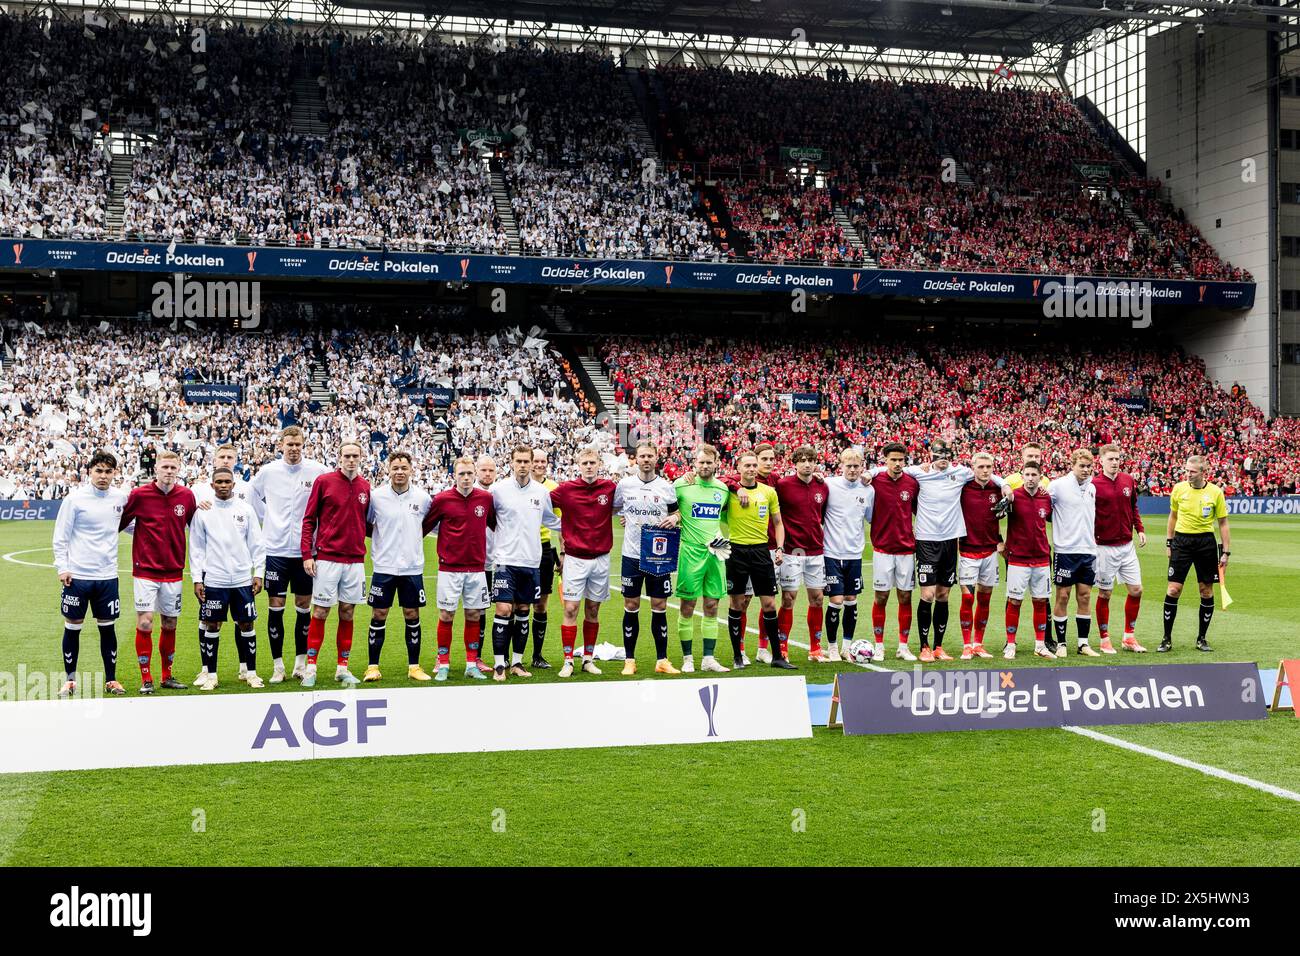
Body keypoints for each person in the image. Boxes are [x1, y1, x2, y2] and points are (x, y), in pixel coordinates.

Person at [250, 426, 328, 683]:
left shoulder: (317, 471)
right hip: (276, 551)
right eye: (289, 444)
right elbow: (252, 498)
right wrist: (269, 521)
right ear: (281, 445)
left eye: (298, 444)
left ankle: (300, 663)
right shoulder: (268, 472)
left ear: (303, 444)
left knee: (304, 608)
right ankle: (278, 666)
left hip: (306, 553)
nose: (294, 448)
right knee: (276, 608)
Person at [120, 449, 198, 694]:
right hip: (145, 570)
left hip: (174, 570)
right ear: (156, 468)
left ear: (179, 470)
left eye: (173, 468)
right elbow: (118, 524)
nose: (169, 472)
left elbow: (197, 528)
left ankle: (167, 675)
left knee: (170, 623)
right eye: (164, 467)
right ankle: (146, 679)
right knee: (145, 622)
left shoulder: (186, 496)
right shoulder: (139, 495)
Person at [52, 450, 128, 697]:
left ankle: (111, 680)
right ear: (89, 472)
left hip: (107, 576)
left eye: (108, 472)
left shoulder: (120, 498)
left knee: (107, 628)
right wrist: (62, 567)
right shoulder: (75, 499)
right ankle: (70, 680)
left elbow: (133, 526)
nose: (103, 476)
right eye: (99, 471)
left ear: (114, 473)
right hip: (78, 577)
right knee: (73, 626)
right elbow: (61, 536)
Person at [300, 441, 371, 687]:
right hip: (327, 558)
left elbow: (367, 523)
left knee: (348, 612)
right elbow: (309, 520)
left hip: (355, 561)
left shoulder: (365, 486)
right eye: (347, 456)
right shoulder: (325, 482)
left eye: (355, 456)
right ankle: (310, 668)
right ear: (339, 457)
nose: (351, 460)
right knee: (320, 611)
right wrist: (307, 554)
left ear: (361, 458)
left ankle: (342, 668)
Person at [490, 445, 563, 681]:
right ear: (511, 462)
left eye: (526, 461)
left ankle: (518, 662)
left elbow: (552, 521)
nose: (522, 465)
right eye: (518, 461)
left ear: (532, 464)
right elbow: (486, 518)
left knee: (523, 610)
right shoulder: (497, 490)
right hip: (504, 560)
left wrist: (584, 524)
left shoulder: (541, 493)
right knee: (503, 609)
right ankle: (500, 664)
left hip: (531, 561)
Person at [189, 467, 265, 690]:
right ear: (212, 485)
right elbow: (196, 549)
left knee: (246, 624)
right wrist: (197, 579)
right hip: (215, 579)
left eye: (227, 482)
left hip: (242, 579)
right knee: (212, 625)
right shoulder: (203, 512)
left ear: (233, 484)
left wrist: (258, 573)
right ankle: (211, 675)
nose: (223, 485)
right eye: (219, 482)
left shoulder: (246, 510)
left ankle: (250, 673)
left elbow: (257, 545)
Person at [424, 456, 496, 681]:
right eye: (461, 474)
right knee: (446, 615)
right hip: (449, 569)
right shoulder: (442, 500)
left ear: (475, 475)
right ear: (453, 475)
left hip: (476, 568)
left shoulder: (485, 498)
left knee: (474, 615)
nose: (466, 478)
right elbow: (424, 528)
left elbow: (495, 525)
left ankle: (471, 663)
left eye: (469, 474)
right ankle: (443, 662)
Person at [549, 446, 619, 677]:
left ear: (599, 464)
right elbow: (539, 503)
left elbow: (624, 505)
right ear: (578, 465)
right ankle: (568, 660)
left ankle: (587, 658)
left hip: (601, 558)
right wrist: (561, 528)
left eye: (593, 462)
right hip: (575, 559)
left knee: (592, 609)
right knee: (571, 608)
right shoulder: (566, 490)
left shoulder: (609, 488)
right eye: (585, 463)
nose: (589, 466)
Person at [364, 451, 433, 683]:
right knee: (379, 614)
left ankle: (414, 666)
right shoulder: (376, 497)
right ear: (388, 470)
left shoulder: (423, 498)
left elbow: (428, 525)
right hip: (384, 567)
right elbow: (367, 524)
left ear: (411, 470)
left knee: (412, 614)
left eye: (404, 467)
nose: (400, 472)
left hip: (412, 568)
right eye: (395, 468)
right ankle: (372, 666)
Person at [613, 440, 680, 675]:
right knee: (631, 605)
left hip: (657, 555)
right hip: (631, 554)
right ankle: (629, 660)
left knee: (659, 605)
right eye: (642, 456)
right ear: (636, 459)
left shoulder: (666, 487)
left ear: (656, 459)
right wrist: (624, 516)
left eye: (650, 456)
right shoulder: (625, 485)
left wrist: (675, 519)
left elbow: (676, 513)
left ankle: (662, 660)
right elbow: (614, 508)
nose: (646, 460)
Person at [726, 450, 795, 670]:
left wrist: (780, 547)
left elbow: (778, 522)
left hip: (761, 551)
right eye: (746, 465)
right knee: (737, 603)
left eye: (754, 465)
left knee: (769, 603)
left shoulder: (769, 492)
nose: (751, 469)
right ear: (738, 468)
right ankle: (738, 656)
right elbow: (716, 479)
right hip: (736, 551)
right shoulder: (729, 490)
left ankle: (777, 656)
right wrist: (737, 487)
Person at [673, 444, 733, 673]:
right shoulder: (682, 485)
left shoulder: (723, 489)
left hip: (716, 552)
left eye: (709, 462)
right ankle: (687, 658)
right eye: (701, 462)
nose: (705, 466)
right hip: (690, 552)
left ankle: (709, 658)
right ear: (695, 464)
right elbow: (666, 506)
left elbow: (728, 514)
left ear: (716, 463)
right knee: (687, 606)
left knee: (712, 604)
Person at [1161, 455, 1230, 653]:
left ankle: (1202, 638)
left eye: (1192, 471)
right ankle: (1166, 638)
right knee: (1173, 589)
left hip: (1205, 543)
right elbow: (1173, 517)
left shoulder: (1216, 492)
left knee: (1206, 591)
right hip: (1181, 542)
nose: (1188, 474)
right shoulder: (1179, 489)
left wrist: (1226, 552)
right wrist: (1169, 542)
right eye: (1186, 471)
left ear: (1203, 472)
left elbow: (1223, 523)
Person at [775, 446, 829, 661]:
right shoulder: (783, 485)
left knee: (817, 599)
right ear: (794, 463)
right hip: (791, 550)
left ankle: (815, 649)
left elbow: (822, 515)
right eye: (803, 460)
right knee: (788, 599)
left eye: (811, 460)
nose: (807, 464)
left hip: (816, 550)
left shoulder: (822, 486)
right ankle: (782, 647)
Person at [868, 442, 921, 661]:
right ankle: (879, 645)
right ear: (885, 461)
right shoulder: (875, 481)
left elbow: (919, 511)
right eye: (893, 460)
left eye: (901, 460)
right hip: (882, 549)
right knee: (881, 597)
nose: (897, 463)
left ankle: (903, 646)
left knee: (905, 596)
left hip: (906, 550)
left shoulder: (912, 484)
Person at [1092, 443, 1147, 653]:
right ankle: (1104, 638)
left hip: (1127, 546)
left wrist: (1139, 529)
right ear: (1102, 461)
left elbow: (1133, 506)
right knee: (1105, 593)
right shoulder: (1094, 484)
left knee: (1136, 590)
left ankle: (1128, 637)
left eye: (1117, 459)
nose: (1115, 462)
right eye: (1110, 459)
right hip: (1104, 547)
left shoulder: (1128, 480)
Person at [821, 447, 874, 661]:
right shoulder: (829, 484)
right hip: (832, 552)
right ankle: (832, 646)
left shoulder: (868, 490)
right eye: (849, 466)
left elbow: (870, 518)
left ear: (862, 467)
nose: (852, 469)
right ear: (841, 466)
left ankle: (847, 647)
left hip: (855, 554)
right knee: (836, 600)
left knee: (851, 598)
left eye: (856, 466)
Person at [1047, 449, 1100, 657]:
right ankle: (1061, 643)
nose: (1086, 470)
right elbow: (1044, 511)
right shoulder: (1057, 486)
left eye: (1089, 467)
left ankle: (1083, 644)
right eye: (1082, 466)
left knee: (1085, 596)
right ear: (1073, 465)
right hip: (1065, 550)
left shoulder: (1093, 488)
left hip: (1088, 550)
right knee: (1063, 595)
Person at [1001, 461, 1054, 659]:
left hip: (1041, 558)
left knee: (1040, 601)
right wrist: (1000, 543)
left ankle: (1040, 645)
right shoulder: (1013, 497)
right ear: (1022, 476)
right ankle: (1011, 644)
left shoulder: (1046, 498)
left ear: (1041, 477)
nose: (1030, 478)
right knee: (1014, 601)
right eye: (1027, 474)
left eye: (1034, 474)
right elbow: (994, 516)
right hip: (1018, 559)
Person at [957, 452, 1003, 659]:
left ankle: (978, 643)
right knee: (967, 598)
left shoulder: (997, 488)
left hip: (990, 552)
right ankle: (967, 644)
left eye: (988, 467)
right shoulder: (963, 488)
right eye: (981, 467)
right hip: (968, 551)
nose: (985, 470)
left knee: (985, 599)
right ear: (972, 467)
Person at [529, 448, 561, 669]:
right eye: (536, 460)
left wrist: (563, 555)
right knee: (514, 606)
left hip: (545, 549)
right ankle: (513, 657)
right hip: (520, 551)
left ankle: (537, 656)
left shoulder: (553, 489)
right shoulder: (516, 486)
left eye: (543, 460)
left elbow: (560, 524)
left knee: (541, 606)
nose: (540, 464)